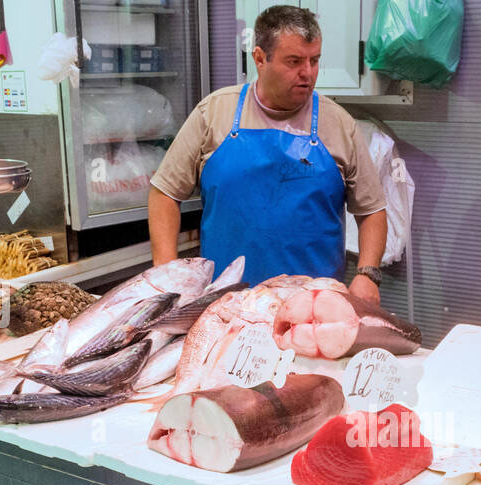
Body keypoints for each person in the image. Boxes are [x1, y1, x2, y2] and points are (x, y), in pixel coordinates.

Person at [147, 5, 388, 302]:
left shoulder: (338, 123)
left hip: (312, 306)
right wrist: (167, 272)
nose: (308, 73)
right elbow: (164, 193)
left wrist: (368, 274)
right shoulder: (214, 113)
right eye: (294, 61)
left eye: (315, 60)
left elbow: (372, 211)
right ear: (260, 58)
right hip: (225, 302)